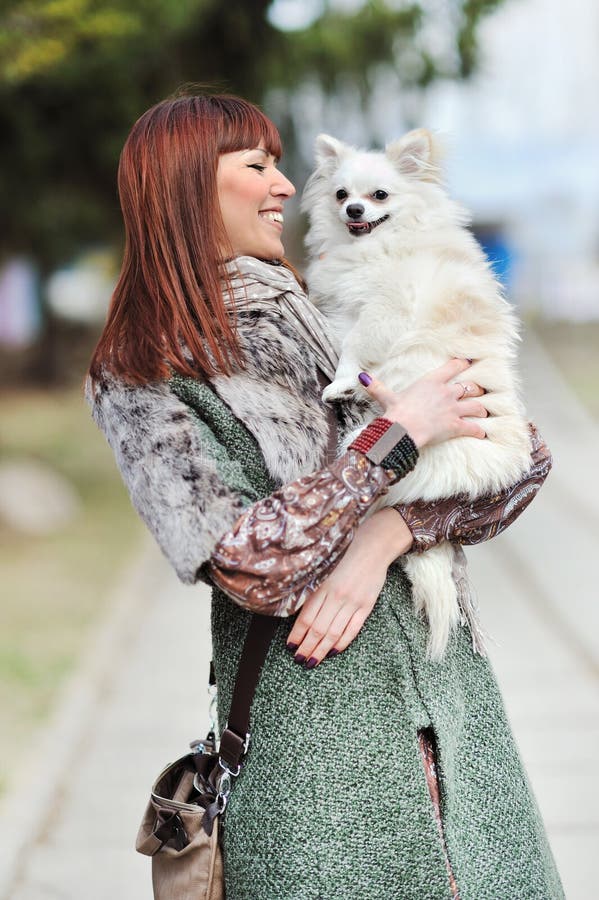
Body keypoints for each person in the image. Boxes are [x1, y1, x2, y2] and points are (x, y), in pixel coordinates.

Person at [87, 93, 564, 899]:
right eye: (257, 166)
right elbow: (247, 563)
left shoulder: (336, 301)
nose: (285, 186)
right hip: (314, 742)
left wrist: (386, 538)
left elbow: (519, 460)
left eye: (279, 165)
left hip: (451, 714)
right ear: (183, 187)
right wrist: (392, 438)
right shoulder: (143, 366)